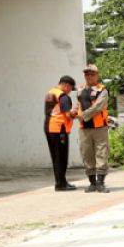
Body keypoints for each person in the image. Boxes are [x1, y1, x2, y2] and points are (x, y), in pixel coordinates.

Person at [78, 64, 111, 193]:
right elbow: (78, 105)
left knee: (101, 153)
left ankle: (100, 183)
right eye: (87, 74)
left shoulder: (102, 90)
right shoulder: (80, 90)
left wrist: (83, 115)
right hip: (84, 129)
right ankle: (92, 183)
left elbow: (98, 107)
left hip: (99, 128)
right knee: (87, 154)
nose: (89, 76)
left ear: (97, 75)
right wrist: (73, 112)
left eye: (92, 74)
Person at [44, 75, 78, 191]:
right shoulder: (63, 97)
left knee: (55, 157)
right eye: (70, 88)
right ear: (66, 85)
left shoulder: (51, 93)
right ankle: (61, 184)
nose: (70, 91)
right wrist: (75, 113)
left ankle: (60, 182)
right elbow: (68, 115)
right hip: (59, 130)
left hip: (49, 128)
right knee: (61, 158)